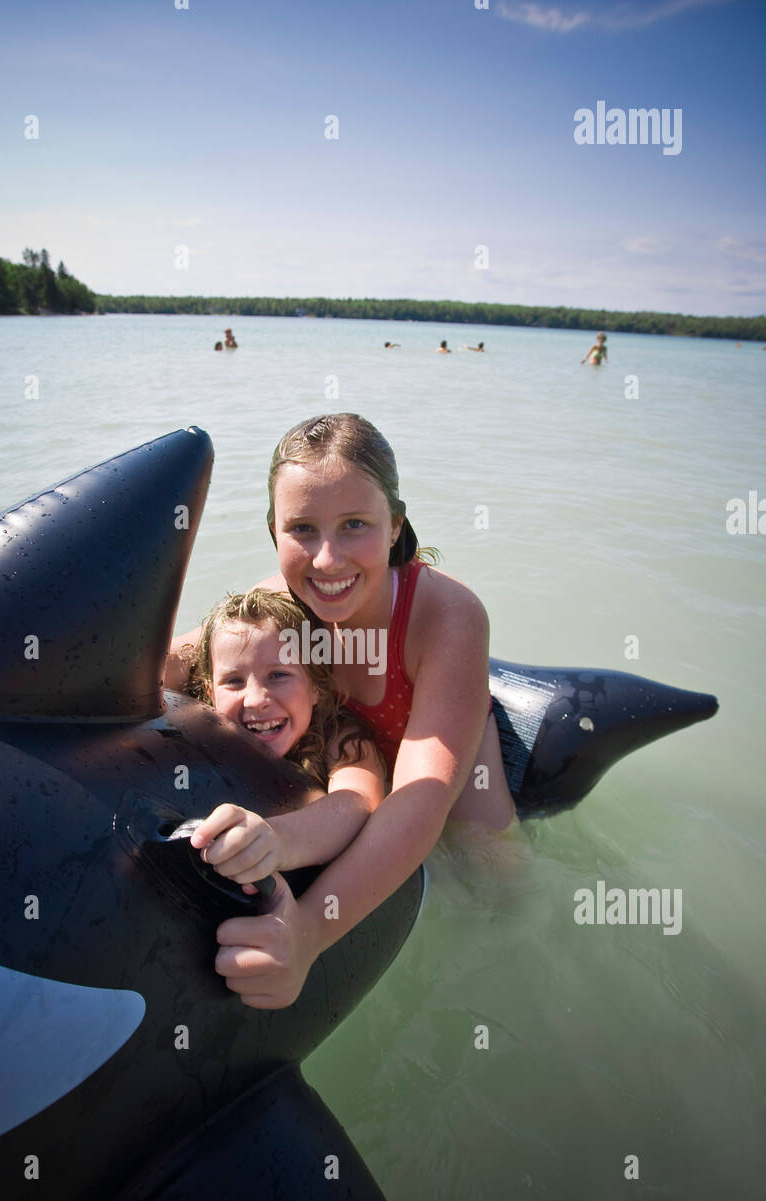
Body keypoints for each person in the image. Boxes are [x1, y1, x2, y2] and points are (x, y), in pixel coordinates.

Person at [170, 413, 518, 1010]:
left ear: (394, 525)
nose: (327, 560)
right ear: (274, 531)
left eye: (354, 525)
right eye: (302, 529)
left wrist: (307, 935)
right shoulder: (280, 605)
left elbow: (421, 801)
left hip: (452, 784)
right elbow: (169, 664)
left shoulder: (447, 616)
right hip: (350, 766)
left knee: (495, 894)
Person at [179, 587, 385, 891]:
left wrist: (279, 840)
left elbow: (358, 803)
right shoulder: (204, 736)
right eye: (234, 681)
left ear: (316, 686)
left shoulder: (340, 738)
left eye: (278, 675)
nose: (255, 699)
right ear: (210, 693)